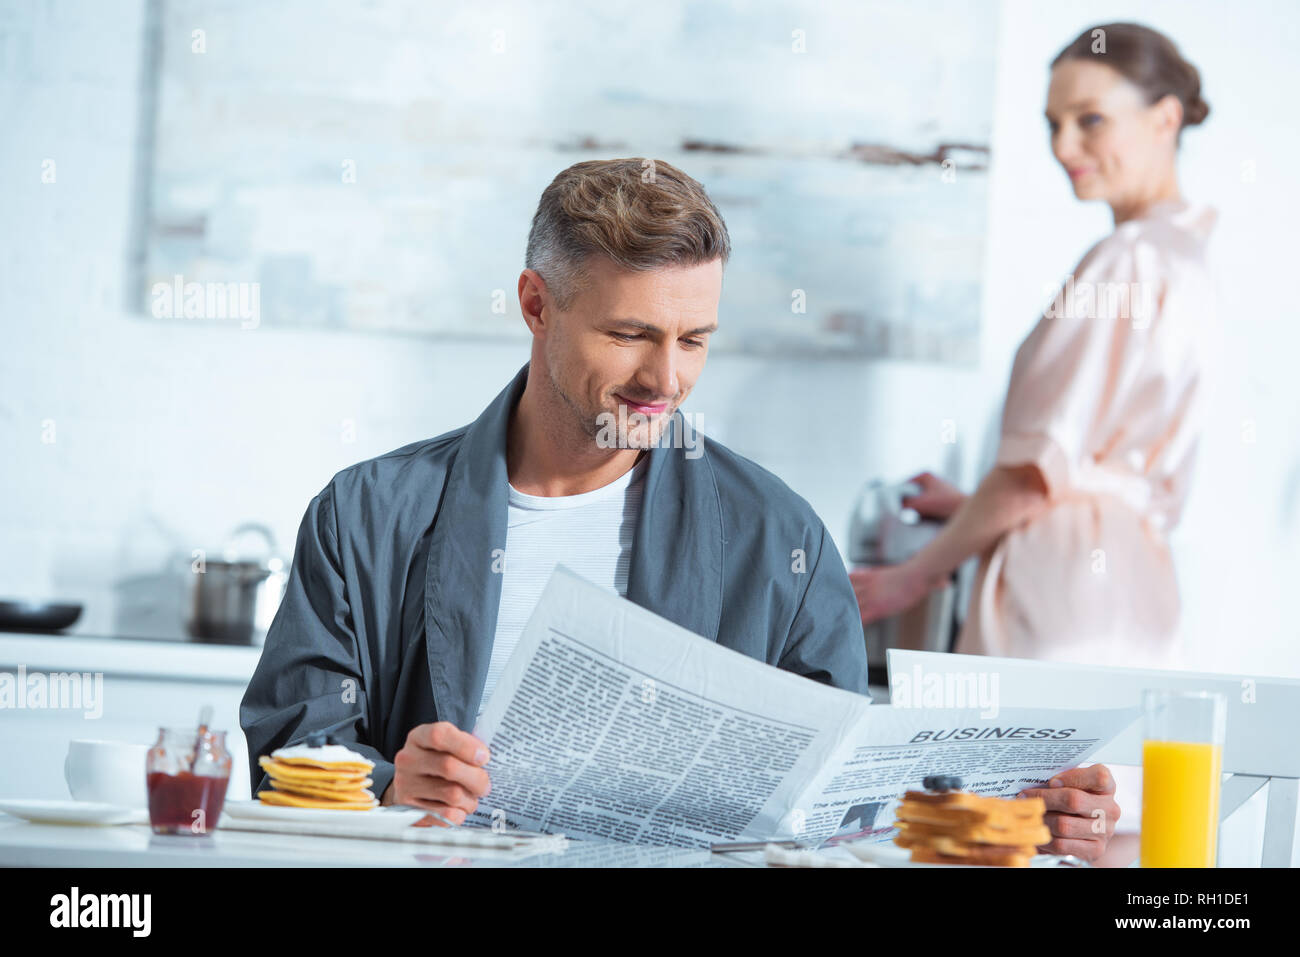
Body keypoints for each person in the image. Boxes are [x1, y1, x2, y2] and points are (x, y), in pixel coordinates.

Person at [242, 157, 1120, 861]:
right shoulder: (367, 514)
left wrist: (1004, 815)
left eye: (693, 339)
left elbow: (837, 804)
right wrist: (393, 788)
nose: (666, 380)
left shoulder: (779, 538)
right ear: (536, 305)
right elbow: (289, 754)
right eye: (629, 334)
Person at [851, 23, 1215, 862]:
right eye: (1052, 123)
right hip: (1130, 589)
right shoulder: (1185, 254)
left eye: (1089, 119)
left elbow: (1035, 470)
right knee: (1107, 834)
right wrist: (971, 500)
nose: (1063, 145)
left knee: (1022, 826)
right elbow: (1087, 461)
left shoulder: (1125, 259)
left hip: (1061, 591)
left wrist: (917, 569)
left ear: (1164, 117)